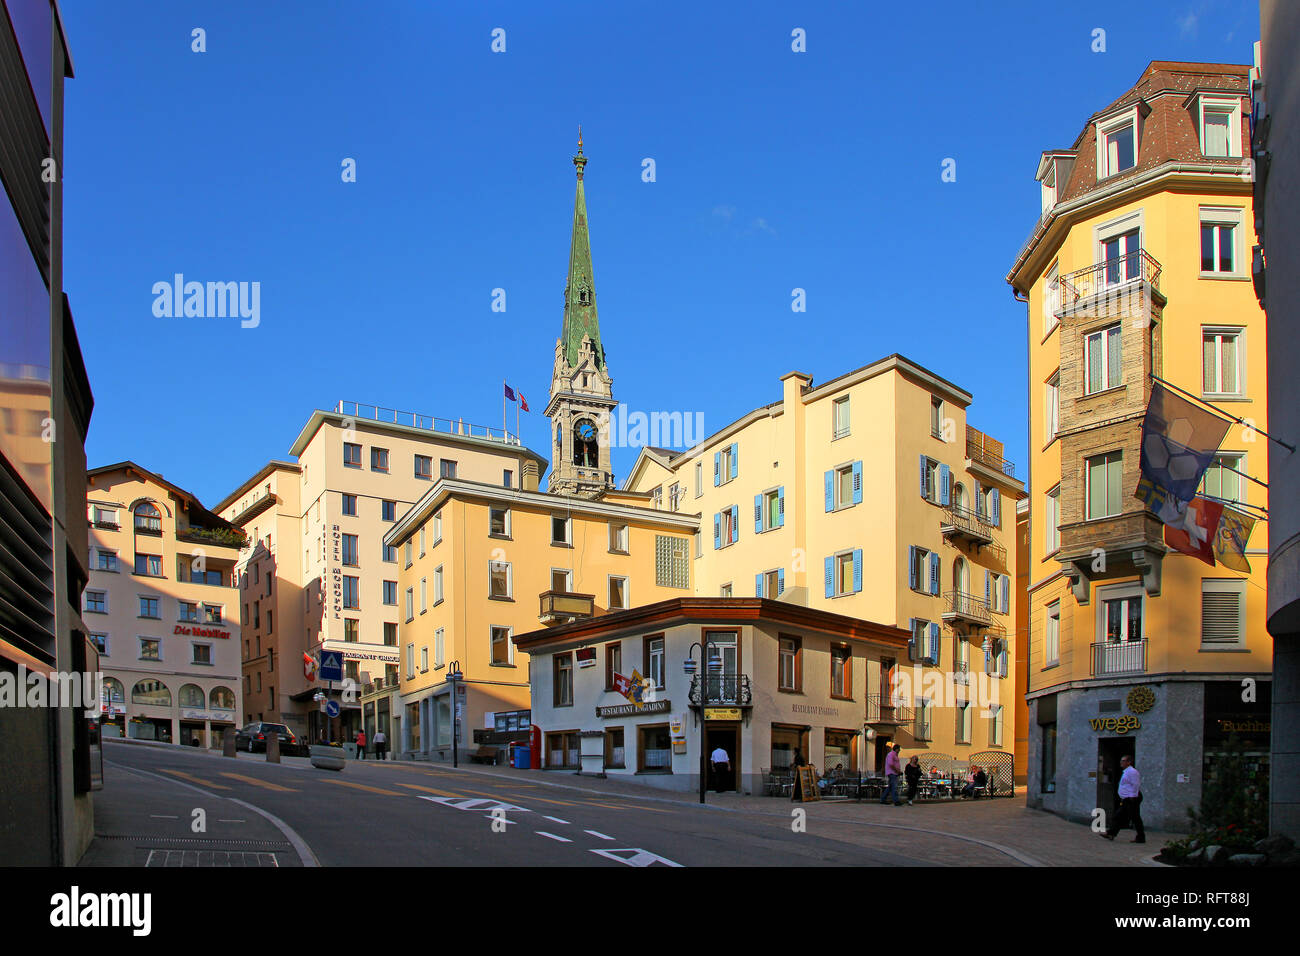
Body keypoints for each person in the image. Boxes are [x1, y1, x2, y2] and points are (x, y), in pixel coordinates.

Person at [1103, 755, 1145, 843]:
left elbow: (1136, 784)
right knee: (1131, 817)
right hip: (1128, 798)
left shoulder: (1132, 772)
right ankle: (1112, 833)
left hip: (1131, 798)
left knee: (1122, 816)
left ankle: (1111, 833)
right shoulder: (1126, 772)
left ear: (1129, 762)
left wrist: (1132, 796)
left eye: (1123, 760)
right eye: (1121, 760)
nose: (1121, 762)